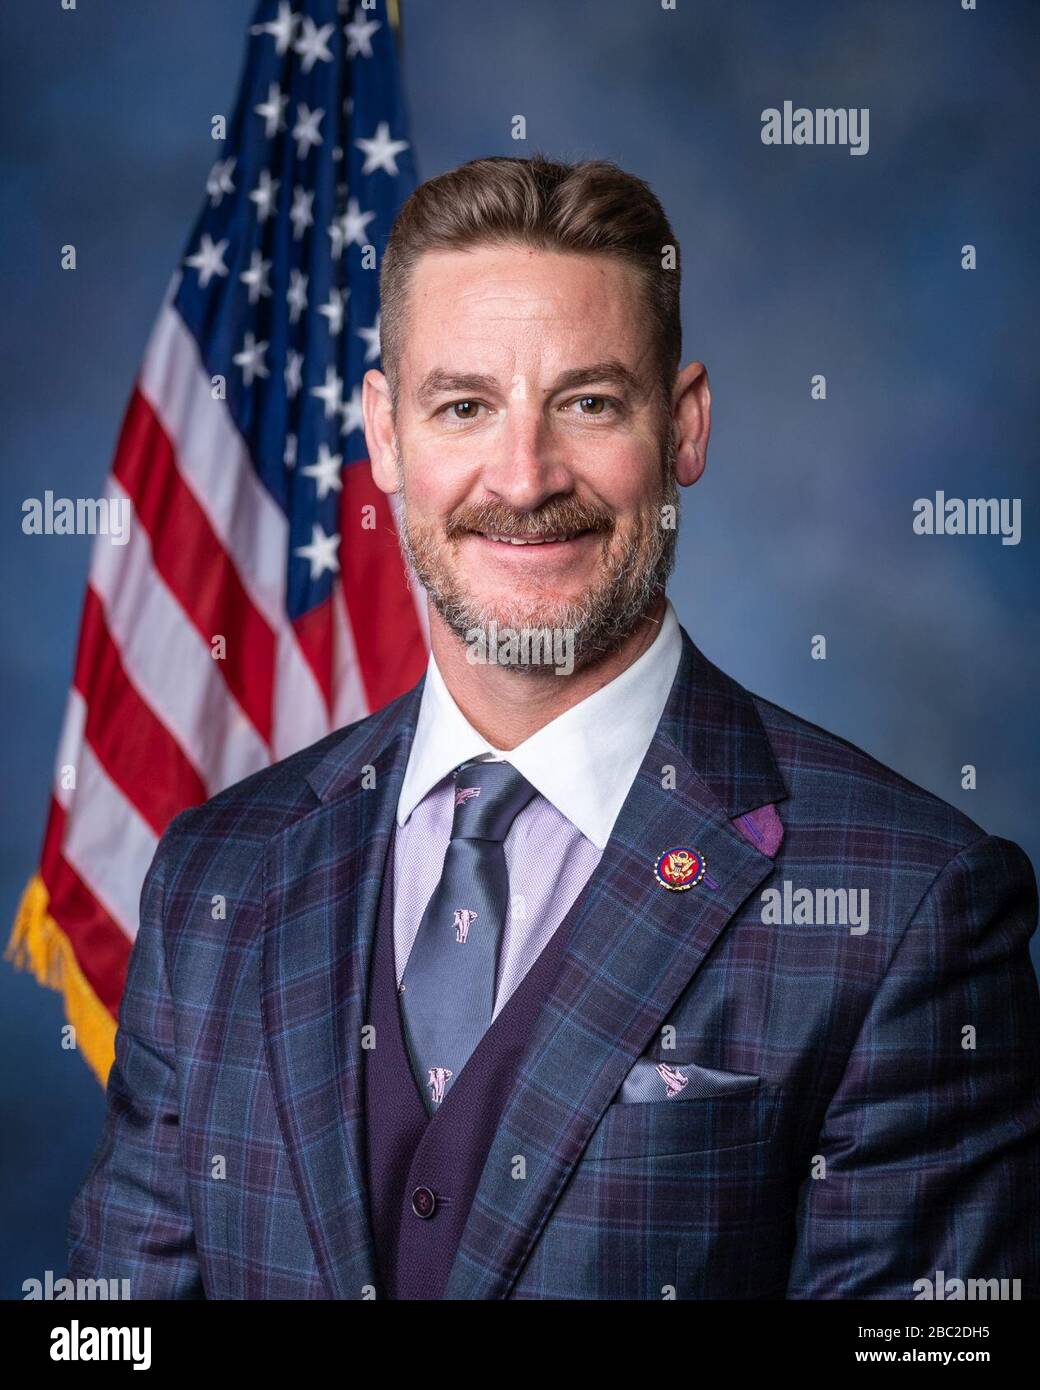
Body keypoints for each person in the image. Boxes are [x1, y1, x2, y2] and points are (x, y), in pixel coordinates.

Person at [68, 155, 1040, 1300]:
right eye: (464, 405)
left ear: (682, 427)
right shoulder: (218, 875)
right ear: (384, 435)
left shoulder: (908, 906)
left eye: (586, 402)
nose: (522, 479)